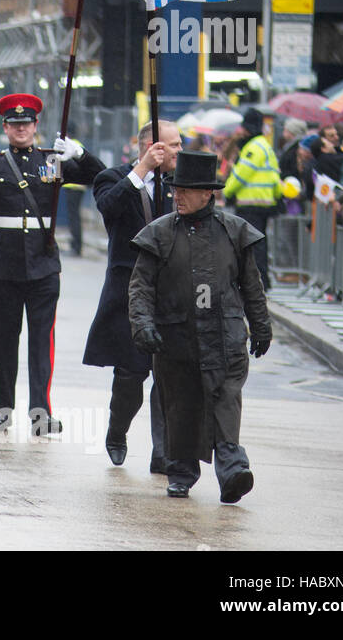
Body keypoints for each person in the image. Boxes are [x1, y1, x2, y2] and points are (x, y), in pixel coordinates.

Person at [128, 150, 270, 502]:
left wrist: (261, 325)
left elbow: (251, 285)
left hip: (225, 337)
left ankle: (233, 469)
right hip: (176, 339)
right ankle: (180, 473)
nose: (177, 195)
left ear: (208, 193)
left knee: (225, 401)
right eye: (175, 189)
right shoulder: (158, 234)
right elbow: (140, 286)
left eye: (186, 190)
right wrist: (143, 324)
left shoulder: (235, 232)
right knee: (180, 407)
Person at [0, 93, 105, 435]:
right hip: (3, 264)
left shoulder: (52, 162)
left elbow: (102, 177)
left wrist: (80, 154)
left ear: (36, 126)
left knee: (42, 341)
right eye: (14, 124)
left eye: (26, 123)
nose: (21, 128)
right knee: (3, 339)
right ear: (5, 128)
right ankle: (3, 408)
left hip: (43, 264)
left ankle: (40, 411)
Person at [82, 120, 181, 473]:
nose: (178, 152)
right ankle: (117, 431)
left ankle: (164, 452)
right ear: (152, 147)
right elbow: (109, 209)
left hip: (169, 292)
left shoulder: (178, 184)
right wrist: (142, 170)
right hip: (128, 290)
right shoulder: (113, 178)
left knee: (168, 377)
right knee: (131, 374)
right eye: (173, 146)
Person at [222, 108, 282, 289]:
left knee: (252, 246)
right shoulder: (265, 145)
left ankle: (258, 282)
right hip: (264, 202)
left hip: (251, 203)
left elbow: (241, 174)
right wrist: (277, 198)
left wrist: (227, 191)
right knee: (259, 244)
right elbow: (275, 176)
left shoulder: (253, 148)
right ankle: (262, 280)